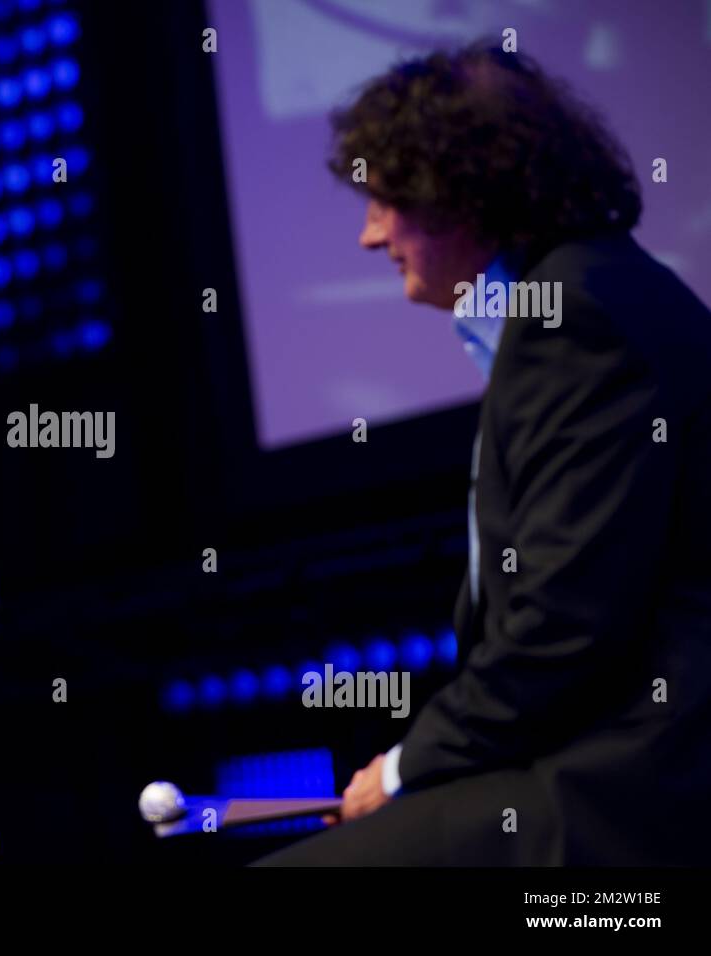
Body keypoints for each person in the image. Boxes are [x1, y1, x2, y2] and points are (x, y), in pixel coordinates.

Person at [256, 43, 711, 865]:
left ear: (458, 191)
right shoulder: (590, 294)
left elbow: (563, 633)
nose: (368, 236)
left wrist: (402, 772)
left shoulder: (577, 320)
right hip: (590, 761)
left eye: (382, 200)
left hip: (628, 792)